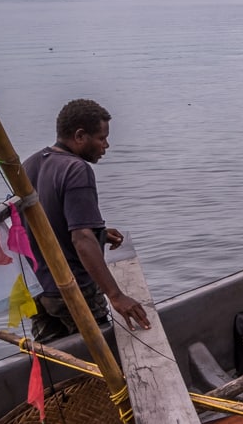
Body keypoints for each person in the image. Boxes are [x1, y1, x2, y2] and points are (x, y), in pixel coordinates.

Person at [22, 99, 150, 344]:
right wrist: (116, 295)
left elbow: (41, 225)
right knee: (105, 355)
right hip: (74, 290)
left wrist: (98, 232)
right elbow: (80, 239)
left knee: (57, 365)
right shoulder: (76, 169)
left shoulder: (31, 164)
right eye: (101, 138)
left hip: (40, 290)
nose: (106, 145)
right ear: (80, 135)